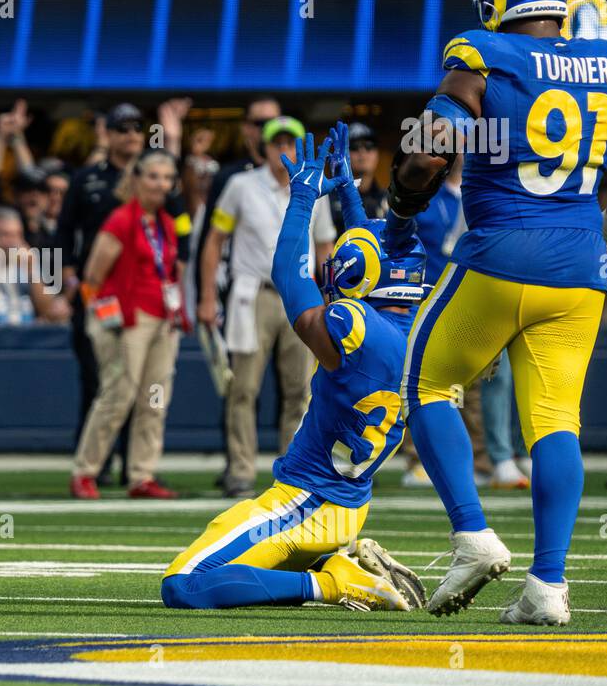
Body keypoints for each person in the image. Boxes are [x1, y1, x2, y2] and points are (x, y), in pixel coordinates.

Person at [387, 0, 607, 625]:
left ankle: (473, 536)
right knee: (556, 421)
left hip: (501, 251)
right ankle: (548, 586)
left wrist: (402, 196)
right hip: (578, 270)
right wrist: (598, 230)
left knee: (423, 381)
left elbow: (427, 156)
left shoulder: (480, 52)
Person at [163, 125, 428, 611]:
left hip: (306, 503)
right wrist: (347, 190)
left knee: (184, 584)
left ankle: (334, 582)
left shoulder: (356, 329)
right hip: (348, 503)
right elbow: (374, 252)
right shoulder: (421, 330)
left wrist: (302, 197)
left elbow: (289, 271)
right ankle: (333, 561)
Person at [197, 115, 335, 497]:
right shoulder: (241, 185)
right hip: (252, 293)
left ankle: (295, 470)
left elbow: (324, 246)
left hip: (302, 294)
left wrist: (330, 298)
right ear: (266, 147)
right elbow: (215, 241)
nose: (283, 150)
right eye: (277, 143)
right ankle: (241, 469)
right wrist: (208, 295)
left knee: (301, 388)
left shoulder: (313, 186)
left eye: (290, 143)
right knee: (243, 386)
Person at [70, 151, 184, 500]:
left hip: (162, 318)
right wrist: (108, 325)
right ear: (136, 179)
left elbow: (170, 271)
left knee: (155, 398)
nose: (161, 184)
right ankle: (85, 471)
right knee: (118, 394)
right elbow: (92, 277)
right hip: (127, 320)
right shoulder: (120, 220)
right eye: (153, 176)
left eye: (166, 177)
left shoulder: (166, 222)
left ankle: (141, 474)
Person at [330, 122, 388, 233]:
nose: (362, 152)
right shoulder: (328, 199)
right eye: (354, 147)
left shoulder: (388, 200)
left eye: (369, 146)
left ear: (377, 154)